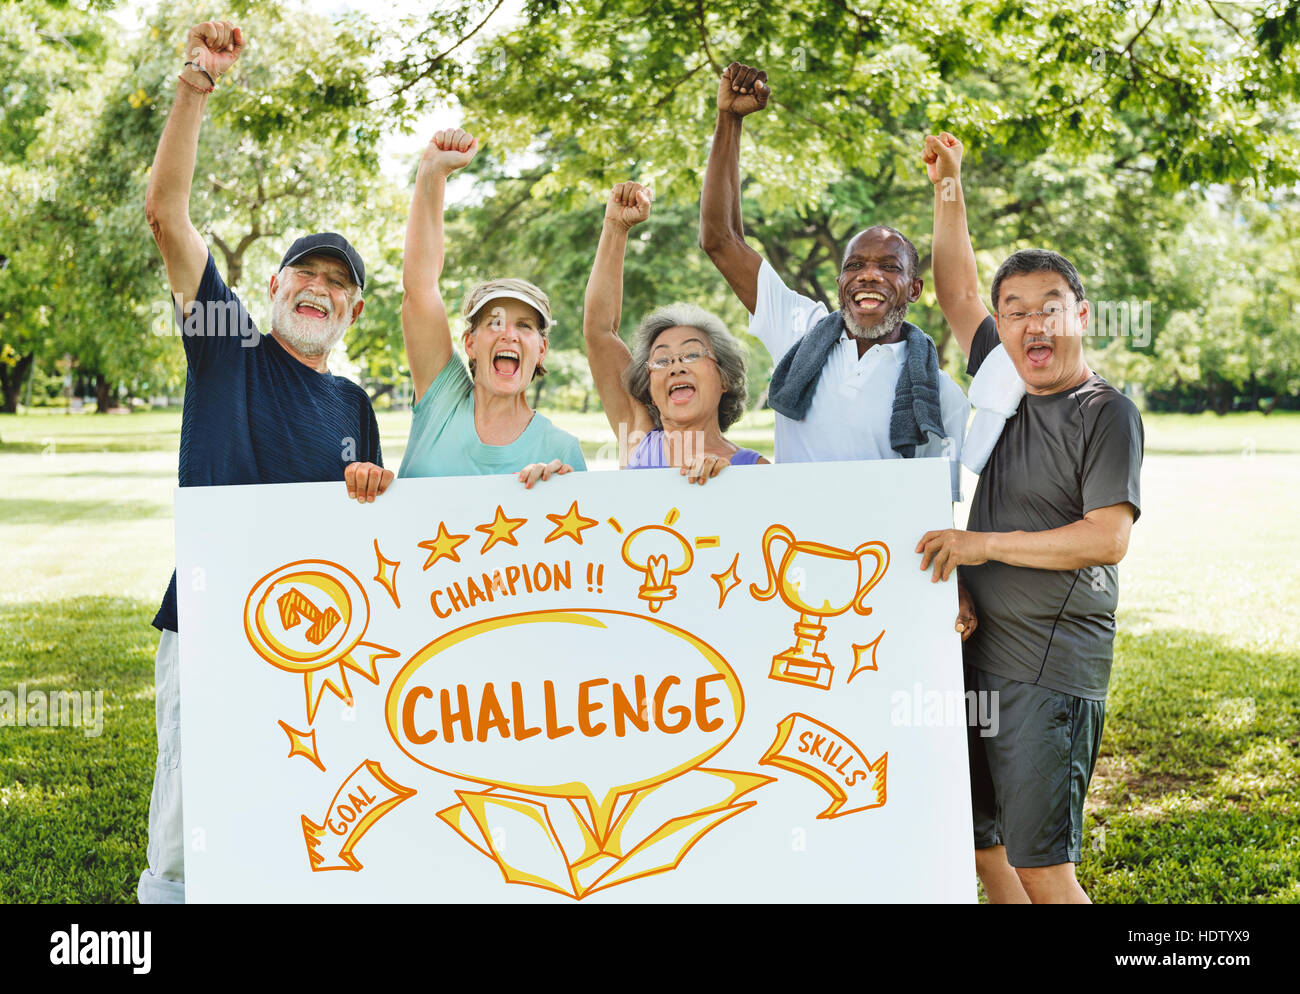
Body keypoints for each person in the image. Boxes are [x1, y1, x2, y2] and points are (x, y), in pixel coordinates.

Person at [139, 20, 388, 903]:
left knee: (290, 800)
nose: (317, 287)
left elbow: (369, 529)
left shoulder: (355, 403)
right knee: (189, 803)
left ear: (352, 311)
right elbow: (168, 214)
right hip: (210, 617)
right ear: (274, 287)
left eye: (337, 283)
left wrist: (370, 492)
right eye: (303, 274)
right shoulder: (226, 344)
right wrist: (197, 86)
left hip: (310, 639)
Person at [919, 131, 1144, 904]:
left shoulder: (1105, 412)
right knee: (989, 851)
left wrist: (979, 545)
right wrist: (949, 186)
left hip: (1050, 672)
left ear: (1080, 314)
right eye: (1013, 313)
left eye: (1049, 309)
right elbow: (956, 292)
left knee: (1044, 868)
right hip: (976, 657)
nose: (1029, 327)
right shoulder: (1003, 382)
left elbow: (1106, 537)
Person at [699, 60, 974, 632]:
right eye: (856, 266)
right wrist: (729, 120)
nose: (868, 276)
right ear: (842, 279)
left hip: (878, 577)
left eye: (887, 267)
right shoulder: (802, 331)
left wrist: (958, 590)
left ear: (914, 289)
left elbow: (935, 514)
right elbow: (720, 240)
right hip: (788, 566)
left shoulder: (941, 395)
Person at [392, 128, 585, 490]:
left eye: (526, 326)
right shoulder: (442, 398)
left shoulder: (561, 449)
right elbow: (420, 290)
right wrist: (432, 173)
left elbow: (580, 540)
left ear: (541, 349)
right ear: (469, 342)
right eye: (494, 322)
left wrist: (555, 496)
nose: (509, 333)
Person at [583, 181, 767, 483]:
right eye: (662, 360)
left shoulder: (754, 468)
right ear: (651, 391)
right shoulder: (637, 436)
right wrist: (615, 227)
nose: (676, 367)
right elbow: (599, 330)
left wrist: (729, 483)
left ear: (724, 378)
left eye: (692, 354)